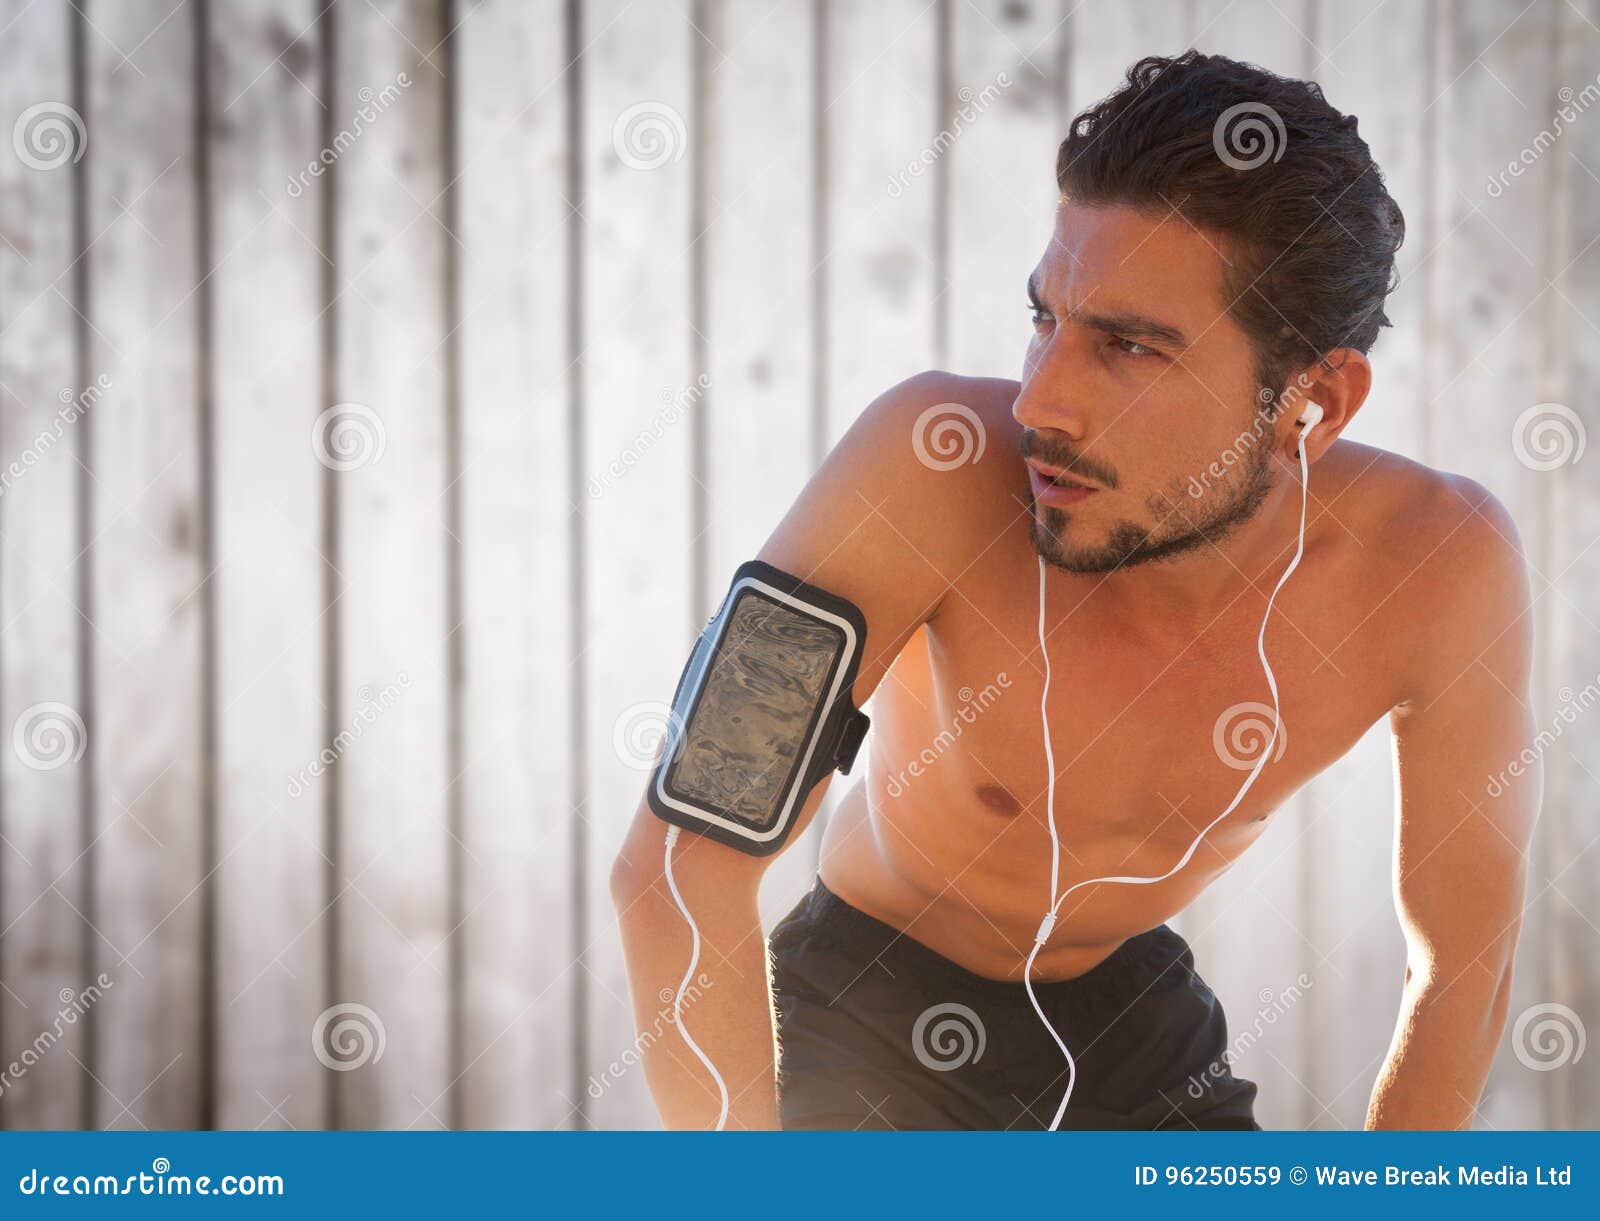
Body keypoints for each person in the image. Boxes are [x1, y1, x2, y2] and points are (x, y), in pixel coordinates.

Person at [609, 49, 1539, 1131]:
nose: (1041, 402)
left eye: (1129, 348)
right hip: (863, 1011)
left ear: (1312, 400)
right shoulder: (931, 467)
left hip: (1132, 1022)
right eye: (1044, 318)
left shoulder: (1441, 567)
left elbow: (1464, 966)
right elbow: (678, 867)